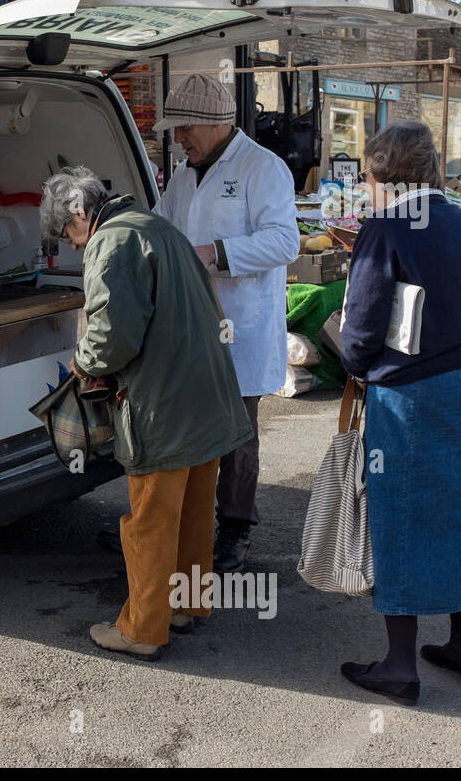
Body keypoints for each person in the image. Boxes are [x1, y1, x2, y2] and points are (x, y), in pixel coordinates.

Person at [43, 166, 253, 660]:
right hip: (208, 397)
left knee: (152, 519)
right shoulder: (157, 227)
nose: (72, 244)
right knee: (194, 511)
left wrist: (84, 362)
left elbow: (114, 333)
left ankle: (141, 629)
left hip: (164, 404)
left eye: (68, 232)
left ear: (80, 212)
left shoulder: (111, 243)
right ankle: (186, 605)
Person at [339, 121, 461, 705]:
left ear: (381, 173)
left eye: (365, 172)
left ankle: (400, 666)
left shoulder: (384, 227)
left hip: (415, 387)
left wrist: (353, 362)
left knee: (403, 510)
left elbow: (360, 325)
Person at [153, 73, 299, 573]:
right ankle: (180, 528)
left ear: (213, 122)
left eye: (183, 128)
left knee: (237, 434)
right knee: (189, 425)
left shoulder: (264, 168)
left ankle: (235, 531)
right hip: (191, 327)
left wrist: (215, 252)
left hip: (242, 327)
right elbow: (161, 225)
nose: (178, 138)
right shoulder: (183, 172)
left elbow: (285, 242)